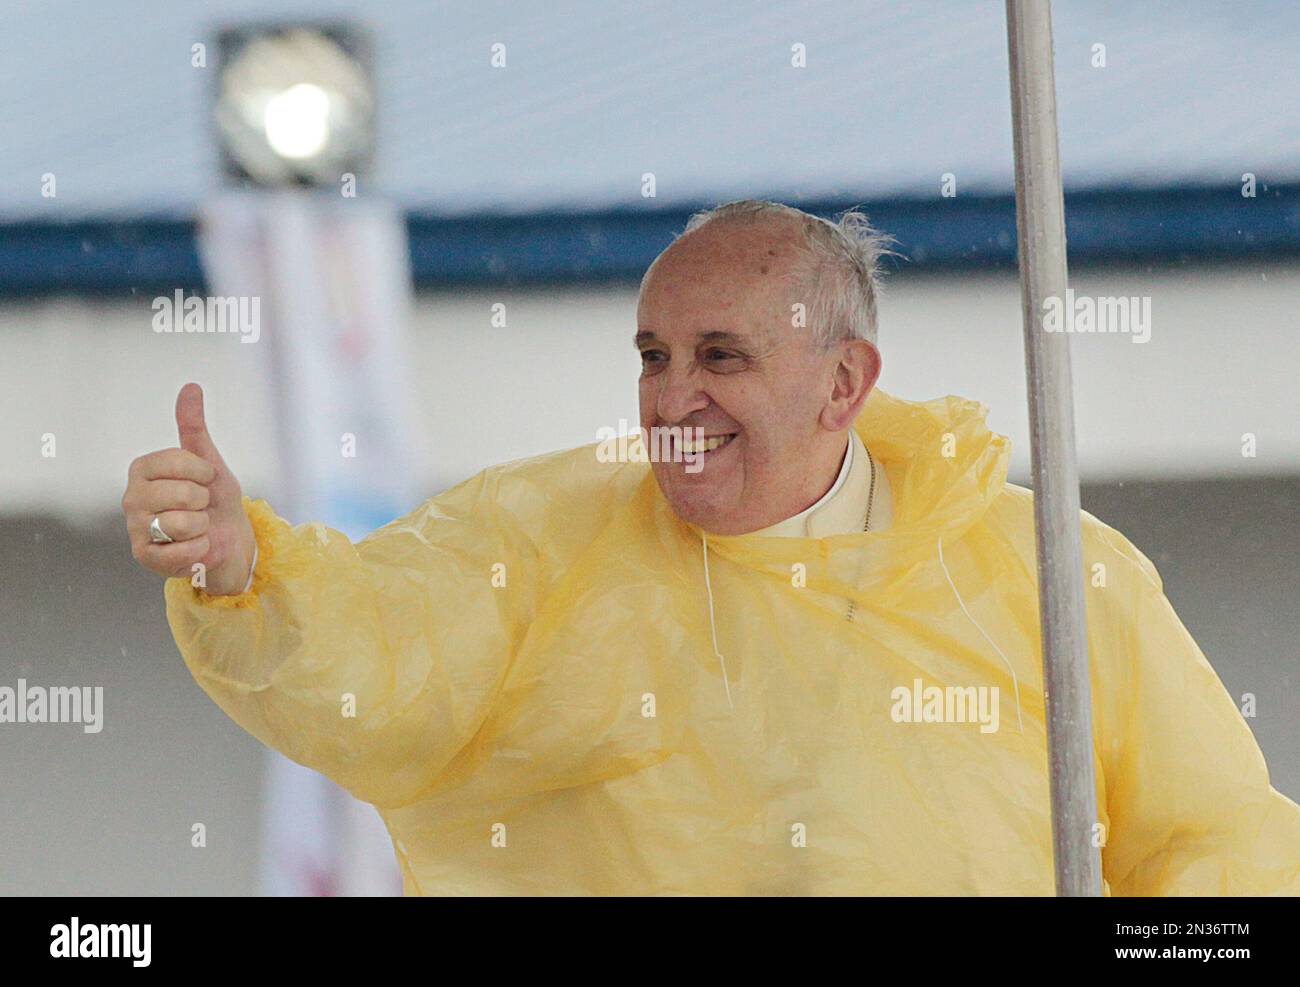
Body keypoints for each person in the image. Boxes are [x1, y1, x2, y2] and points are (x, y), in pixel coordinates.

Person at [121, 199, 1300, 895]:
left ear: (844, 383)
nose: (670, 399)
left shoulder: (1049, 569)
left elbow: (1219, 852)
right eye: (652, 356)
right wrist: (245, 567)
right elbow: (374, 656)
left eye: (719, 357)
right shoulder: (542, 540)